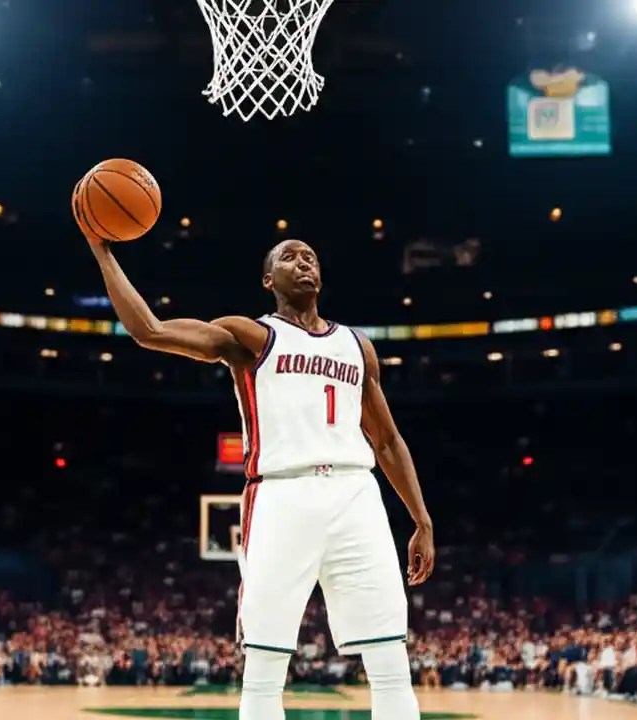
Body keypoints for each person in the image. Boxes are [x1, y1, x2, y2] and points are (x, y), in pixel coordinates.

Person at [80, 226, 435, 720]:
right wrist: (102, 252)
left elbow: (389, 440)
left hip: (357, 493)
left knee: (391, 661)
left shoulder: (358, 346)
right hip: (281, 494)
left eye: (310, 256)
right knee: (265, 667)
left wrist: (421, 519)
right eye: (289, 256)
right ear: (268, 279)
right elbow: (150, 331)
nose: (303, 262)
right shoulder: (251, 336)